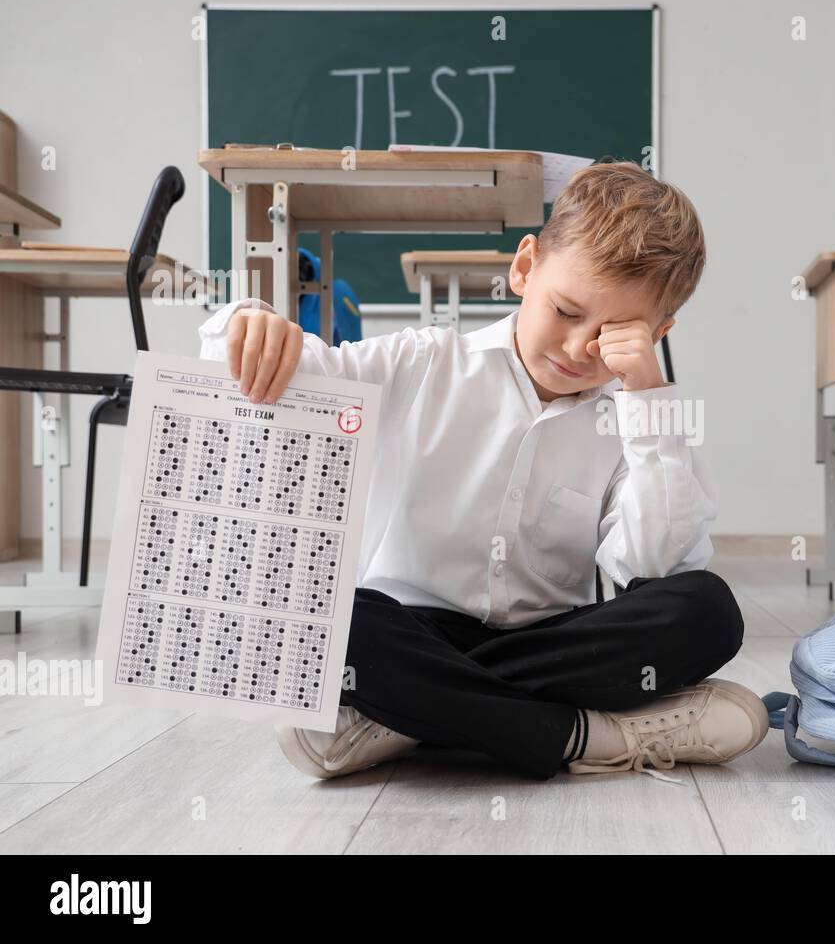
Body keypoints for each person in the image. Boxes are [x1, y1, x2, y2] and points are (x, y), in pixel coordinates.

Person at [197, 162, 767, 783]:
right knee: (334, 621)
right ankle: (584, 735)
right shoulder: (423, 361)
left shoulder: (631, 422)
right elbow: (294, 377)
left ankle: (407, 715)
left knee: (706, 609)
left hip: (548, 643)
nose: (580, 348)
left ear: (659, 332)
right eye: (567, 311)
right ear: (524, 268)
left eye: (612, 333)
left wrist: (651, 402)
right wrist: (244, 324)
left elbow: (654, 570)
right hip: (409, 627)